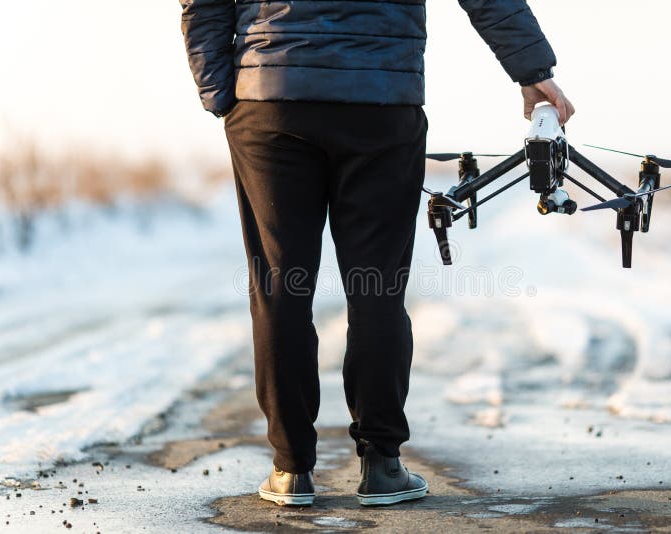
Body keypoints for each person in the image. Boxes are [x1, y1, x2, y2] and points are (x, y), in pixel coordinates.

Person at [179, 0, 574, 507]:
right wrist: (532, 71)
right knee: (378, 289)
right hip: (381, 100)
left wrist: (222, 92)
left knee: (281, 286)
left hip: (270, 99)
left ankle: (290, 469)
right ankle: (383, 465)